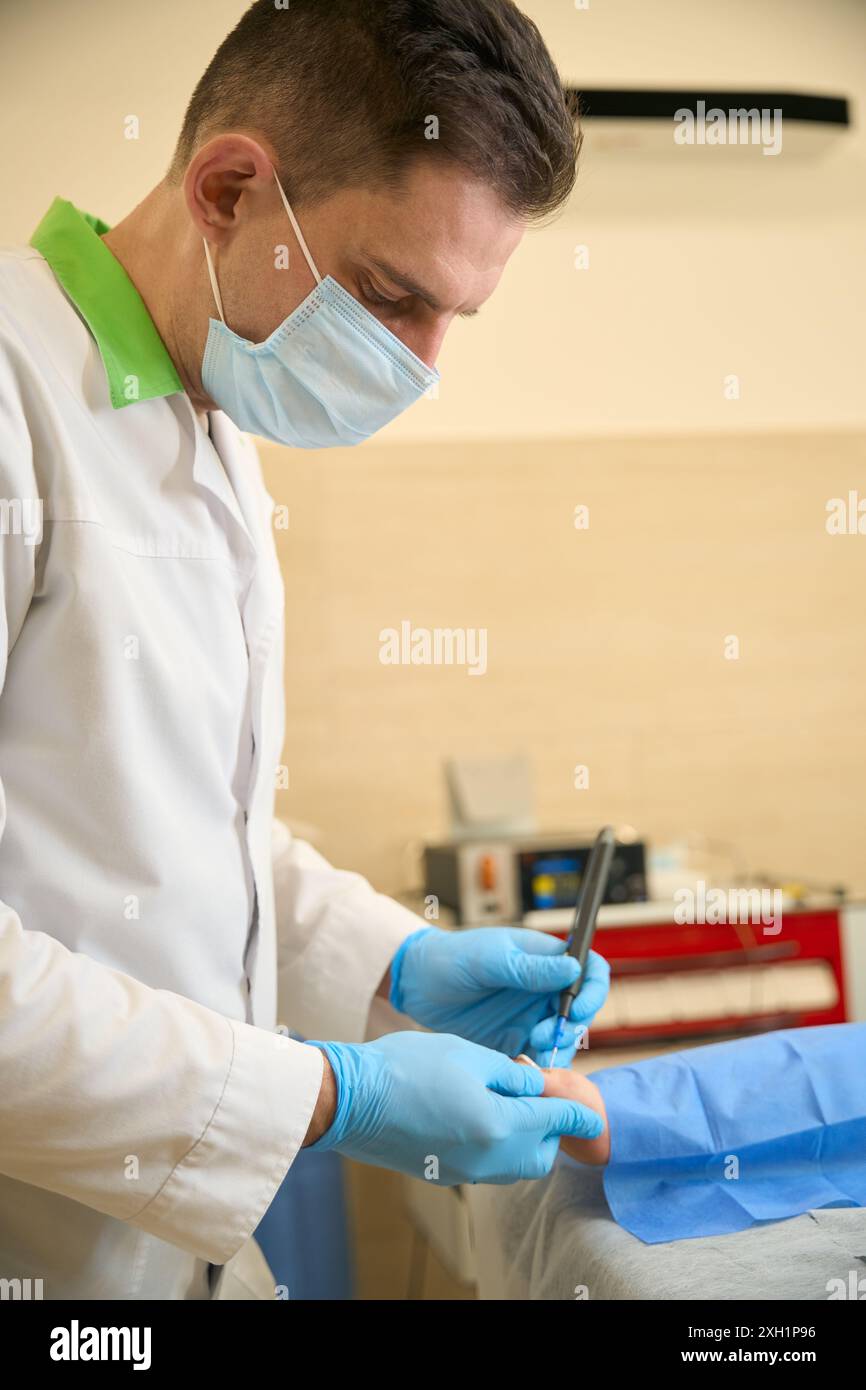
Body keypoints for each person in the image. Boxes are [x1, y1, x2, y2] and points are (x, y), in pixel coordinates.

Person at [0, 0, 608, 1299]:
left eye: (454, 317)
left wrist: (388, 965)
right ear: (230, 188)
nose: (421, 368)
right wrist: (335, 1092)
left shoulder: (202, 418)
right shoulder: (13, 395)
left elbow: (172, 829)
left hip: (170, 1260)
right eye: (392, 296)